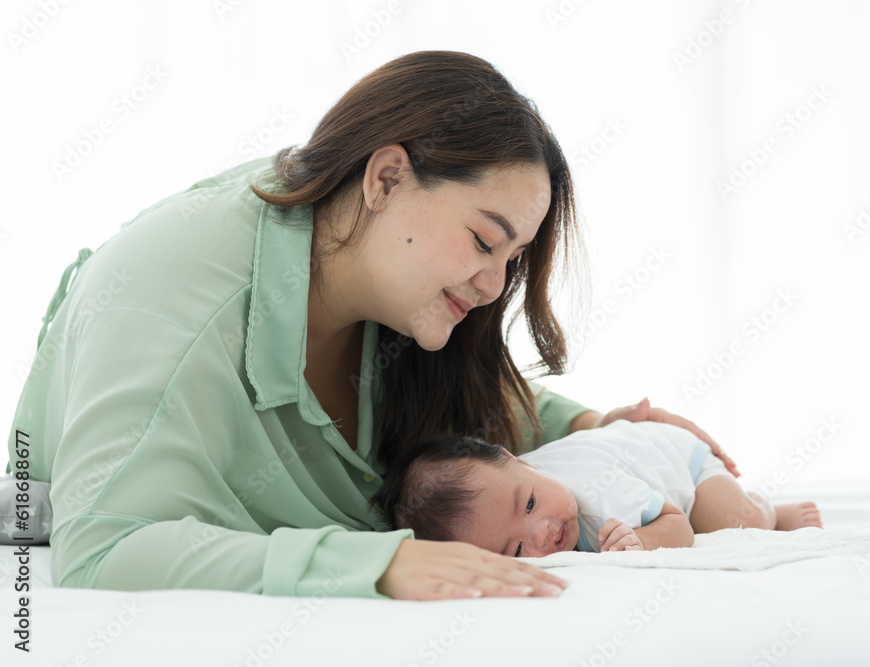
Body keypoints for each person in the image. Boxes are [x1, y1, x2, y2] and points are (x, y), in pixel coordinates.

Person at [5, 50, 737, 601]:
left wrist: (591, 427)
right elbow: (101, 549)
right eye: (484, 241)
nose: (492, 286)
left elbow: (458, 417)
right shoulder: (172, 284)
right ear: (385, 178)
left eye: (511, 259)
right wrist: (378, 564)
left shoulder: (393, 296)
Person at [373, 420, 821, 557]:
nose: (542, 531)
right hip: (637, 456)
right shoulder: (510, 486)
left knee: (734, 522)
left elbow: (678, 524)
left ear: (518, 459)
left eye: (529, 503)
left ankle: (772, 509)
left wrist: (641, 542)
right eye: (515, 550)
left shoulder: (600, 494)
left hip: (679, 461)